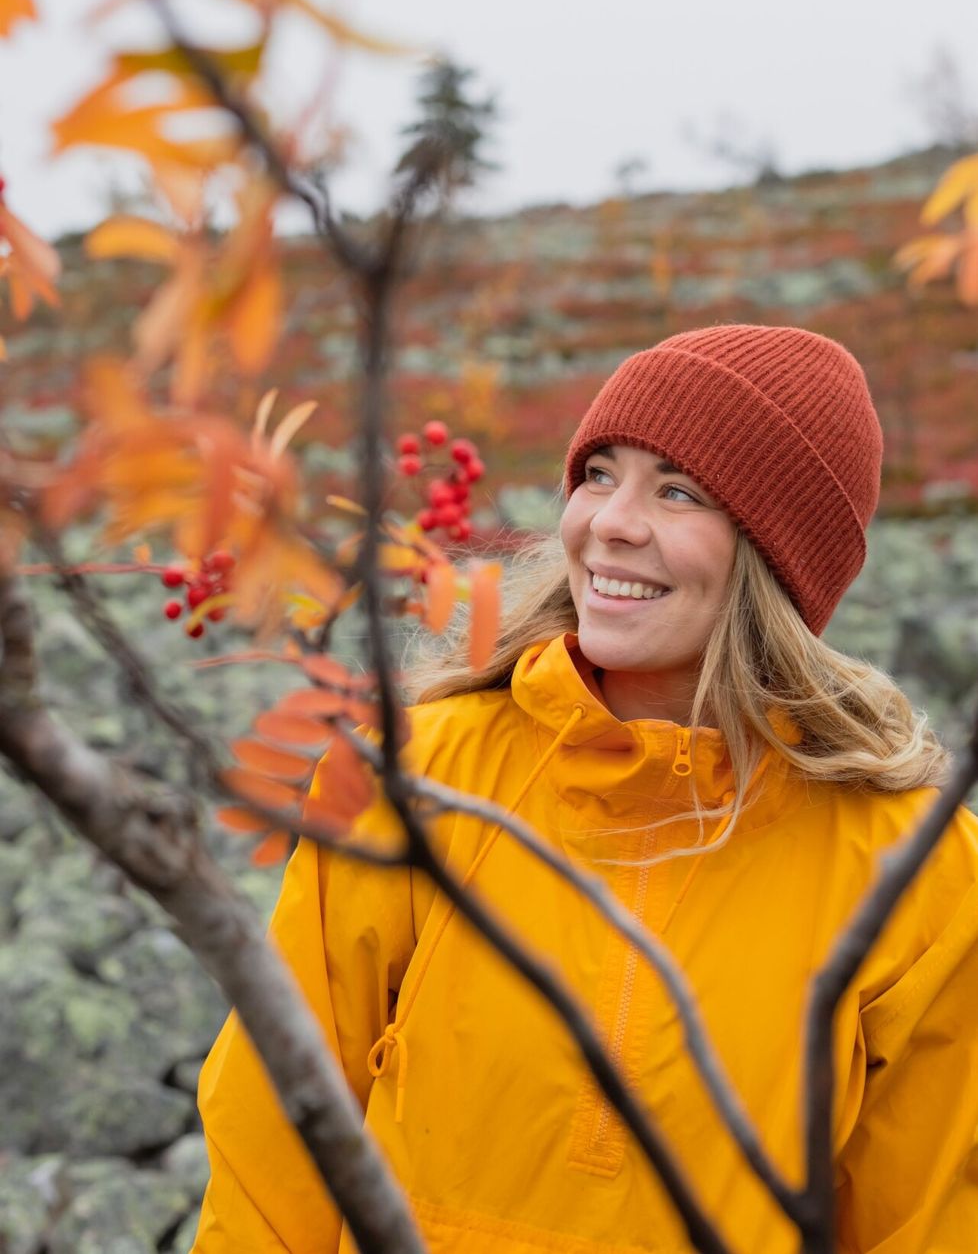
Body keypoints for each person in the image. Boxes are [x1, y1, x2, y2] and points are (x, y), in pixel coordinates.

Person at [191, 324, 978, 1254]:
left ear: (779, 559)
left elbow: (929, 1222)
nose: (608, 521)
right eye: (600, 472)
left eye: (677, 490)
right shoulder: (416, 775)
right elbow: (272, 1139)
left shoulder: (917, 870)